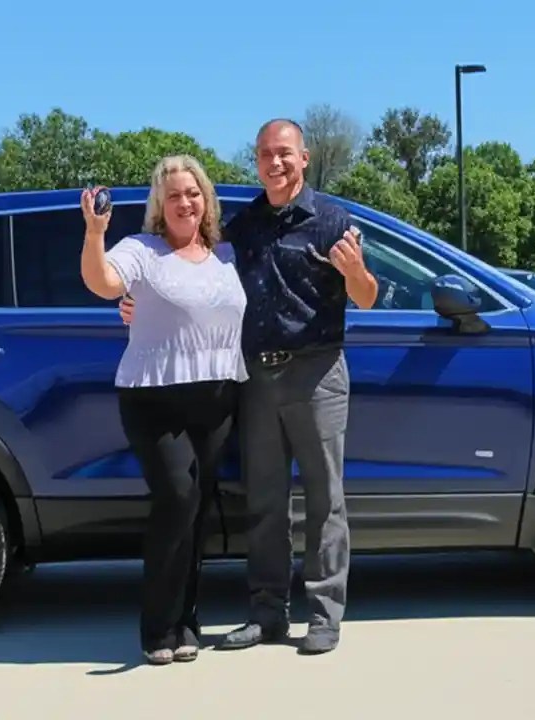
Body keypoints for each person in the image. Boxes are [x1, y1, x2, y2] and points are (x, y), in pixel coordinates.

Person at [119, 119, 377, 655]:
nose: (275, 163)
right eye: (265, 155)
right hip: (255, 375)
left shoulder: (332, 219)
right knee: (264, 501)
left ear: (304, 158)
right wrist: (138, 305)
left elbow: (368, 297)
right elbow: (193, 278)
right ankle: (268, 615)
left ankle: (324, 616)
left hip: (317, 370)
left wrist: (355, 272)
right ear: (255, 162)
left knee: (326, 499)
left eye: (284, 153)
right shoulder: (243, 227)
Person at [80, 154, 248, 666]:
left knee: (198, 510)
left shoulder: (227, 254)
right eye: (174, 194)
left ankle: (186, 622)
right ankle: (157, 625)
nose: (185, 203)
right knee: (177, 496)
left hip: (218, 396)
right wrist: (94, 233)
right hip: (154, 397)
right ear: (160, 203)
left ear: (206, 200)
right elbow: (105, 283)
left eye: (193, 193)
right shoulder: (142, 250)